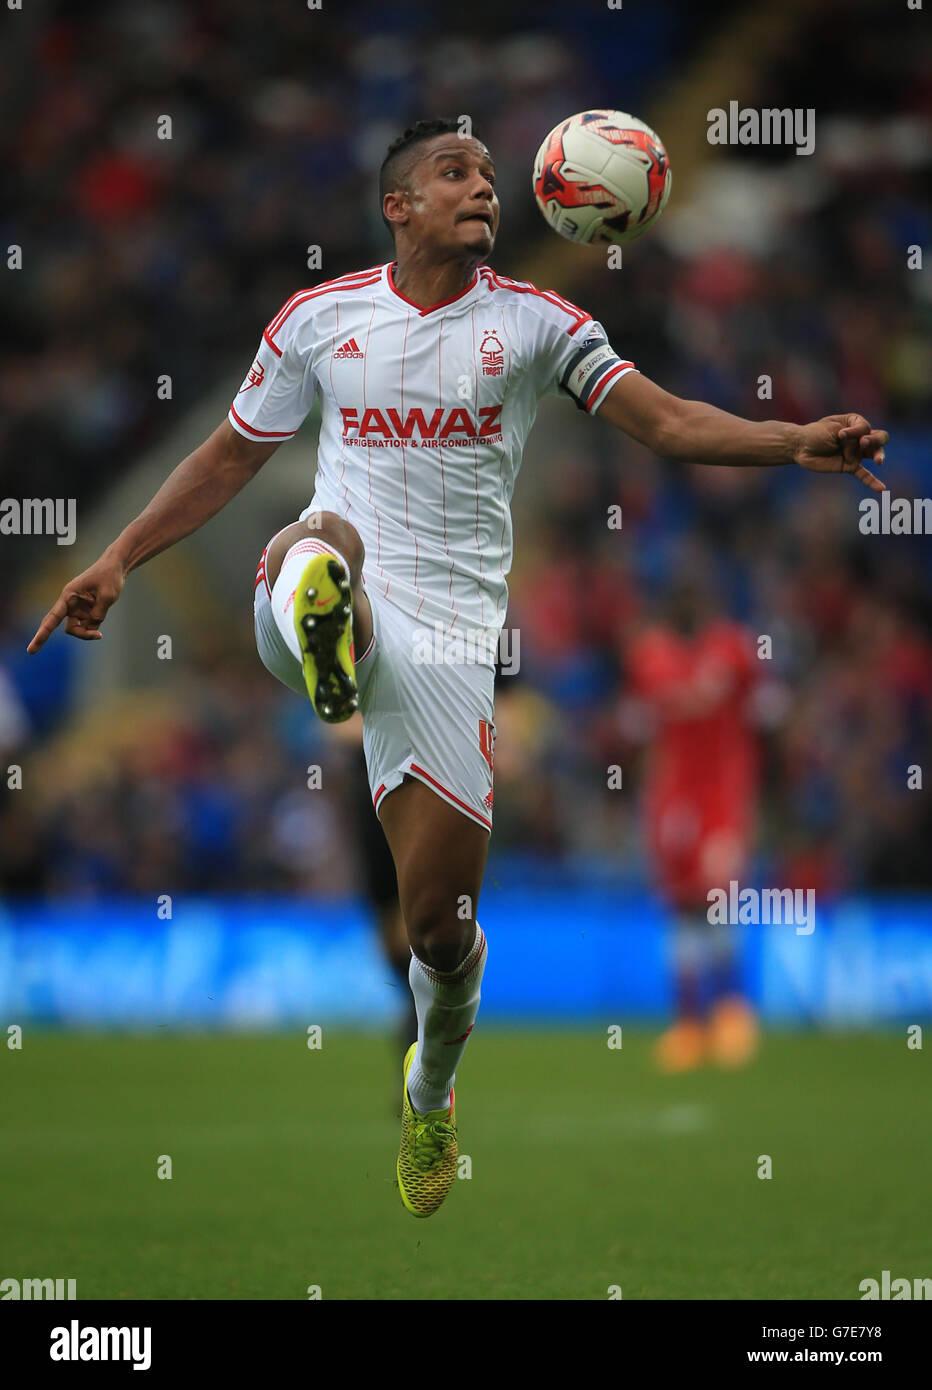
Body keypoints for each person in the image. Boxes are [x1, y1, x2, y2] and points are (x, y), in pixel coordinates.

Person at [28, 117, 888, 1219]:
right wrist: (113, 559)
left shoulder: (535, 326)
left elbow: (667, 423)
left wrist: (794, 439)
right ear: (398, 205)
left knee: (437, 928)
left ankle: (427, 1089)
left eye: (488, 175)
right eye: (453, 174)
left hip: (447, 645)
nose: (481, 188)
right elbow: (228, 454)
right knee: (314, 545)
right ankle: (324, 635)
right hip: (332, 576)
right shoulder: (318, 320)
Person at [626, 582, 760, 1071]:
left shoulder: (734, 651)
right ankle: (687, 1024)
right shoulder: (651, 657)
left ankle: (732, 1014)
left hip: (722, 798)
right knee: (681, 907)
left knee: (719, 900)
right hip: (671, 799)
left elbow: (765, 715)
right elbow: (641, 727)